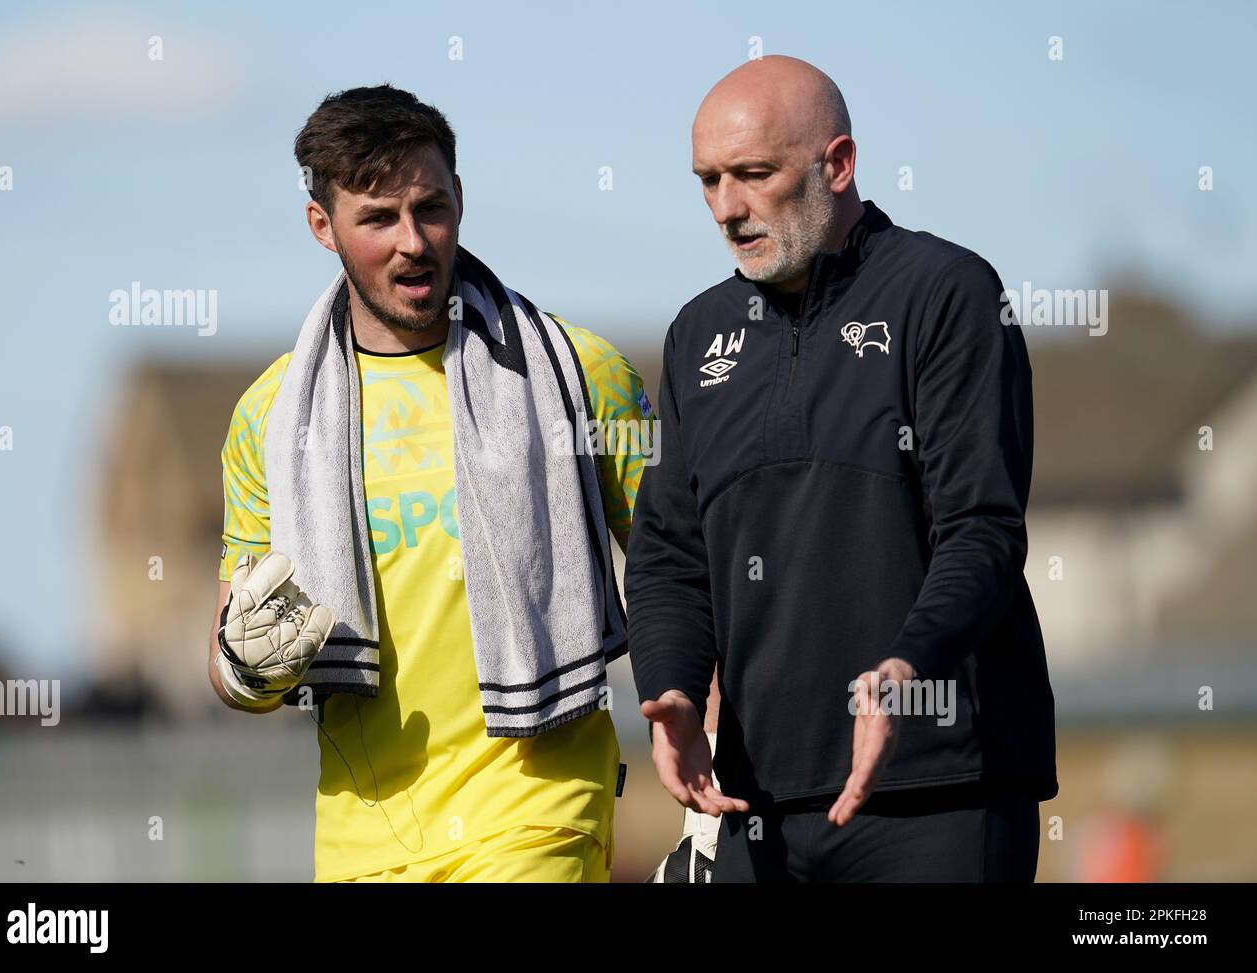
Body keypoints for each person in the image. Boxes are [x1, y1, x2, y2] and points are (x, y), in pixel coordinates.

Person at [627, 56, 1058, 882]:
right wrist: (674, 688)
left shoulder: (946, 292)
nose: (727, 207)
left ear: (838, 163)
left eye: (753, 174)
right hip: (758, 806)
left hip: (941, 791)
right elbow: (668, 555)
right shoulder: (696, 334)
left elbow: (984, 532)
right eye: (708, 180)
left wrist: (907, 667)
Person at [208, 84, 652, 883]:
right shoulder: (270, 417)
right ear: (323, 226)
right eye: (378, 218)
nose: (413, 242)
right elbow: (236, 667)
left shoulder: (579, 374)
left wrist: (718, 753)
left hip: (539, 817)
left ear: (460, 202)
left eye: (432, 208)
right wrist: (246, 666)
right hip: (361, 842)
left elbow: (681, 573)